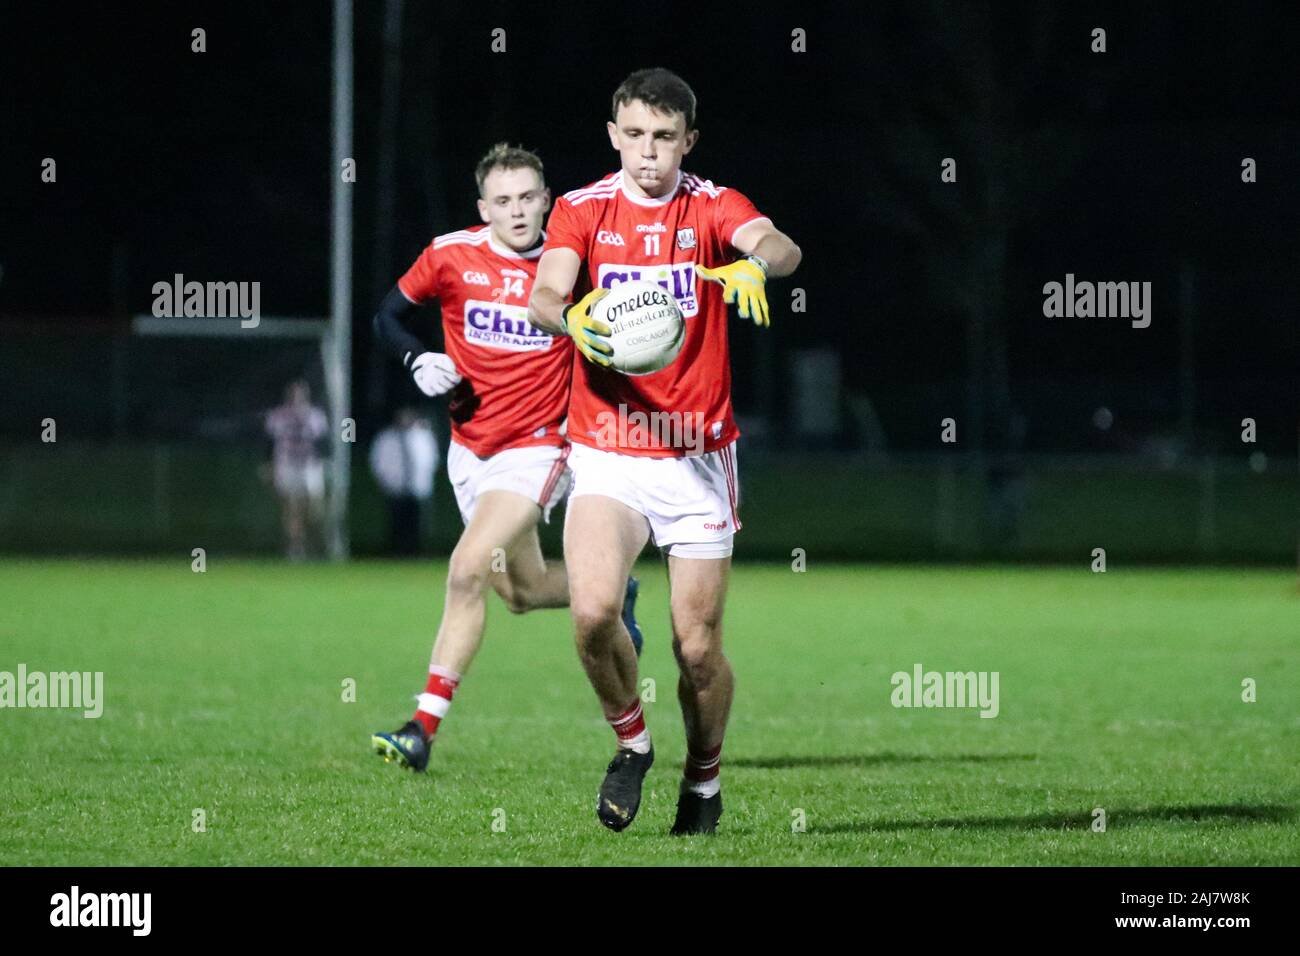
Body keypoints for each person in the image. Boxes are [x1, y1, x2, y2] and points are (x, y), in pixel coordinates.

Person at [528, 68, 802, 834]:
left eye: (665, 138)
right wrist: (568, 319)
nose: (649, 153)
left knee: (697, 649)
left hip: (695, 456)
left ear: (688, 141)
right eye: (636, 136)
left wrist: (755, 262)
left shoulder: (711, 206)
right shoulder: (582, 210)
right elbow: (546, 293)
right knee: (590, 615)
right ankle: (632, 744)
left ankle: (704, 784)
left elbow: (782, 248)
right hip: (608, 448)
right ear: (614, 135)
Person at [369, 143, 642, 773]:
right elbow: (387, 315)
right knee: (518, 592)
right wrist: (417, 357)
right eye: (503, 200)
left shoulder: (574, 265)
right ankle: (611, 593)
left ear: (546, 200)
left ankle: (421, 729)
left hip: (542, 448)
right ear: (483, 207)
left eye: (527, 198)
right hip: (470, 452)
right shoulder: (450, 255)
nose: (517, 211)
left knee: (466, 568)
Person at [264, 379, 328, 560]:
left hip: (309, 465)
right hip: (286, 464)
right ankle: (295, 547)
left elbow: (322, 442)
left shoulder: (316, 416)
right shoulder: (277, 415)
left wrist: (324, 462)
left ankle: (314, 542)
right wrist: (268, 465)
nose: (296, 397)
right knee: (291, 507)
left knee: (314, 508)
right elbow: (269, 442)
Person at [369, 409, 439, 556]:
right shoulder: (386, 437)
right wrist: (386, 481)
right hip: (395, 488)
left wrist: (424, 479)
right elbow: (378, 461)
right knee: (396, 522)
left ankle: (417, 551)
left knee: (417, 523)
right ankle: (396, 551)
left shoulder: (422, 436)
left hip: (417, 488)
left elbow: (432, 459)